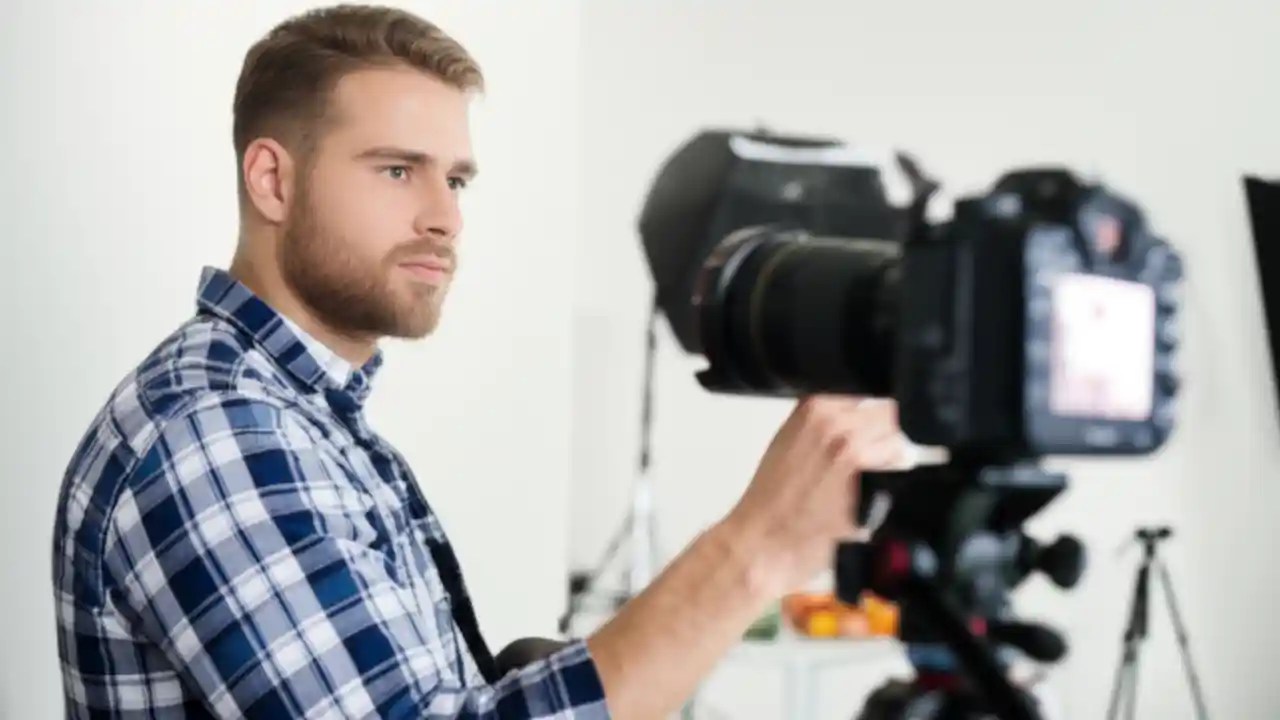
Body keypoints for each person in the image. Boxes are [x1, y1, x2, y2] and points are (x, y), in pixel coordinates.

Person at [50, 5, 908, 719]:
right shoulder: (214, 435)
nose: (444, 219)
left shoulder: (307, 421)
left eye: (455, 181)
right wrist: (753, 549)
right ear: (272, 181)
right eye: (397, 171)